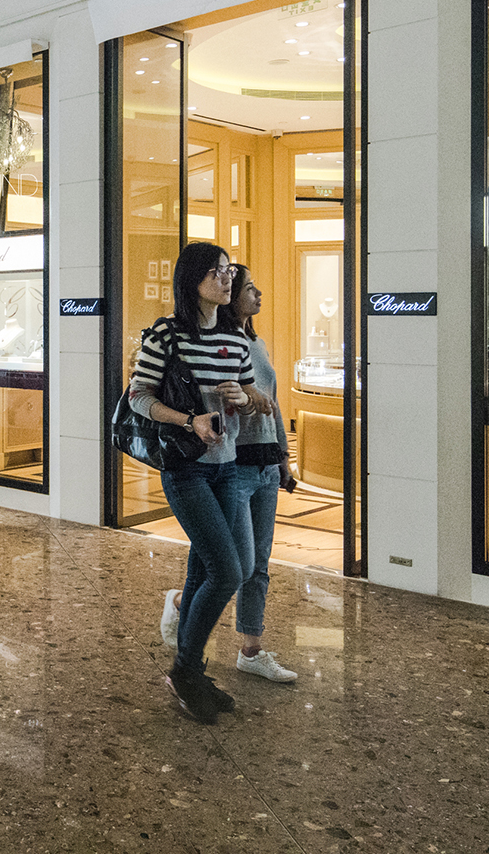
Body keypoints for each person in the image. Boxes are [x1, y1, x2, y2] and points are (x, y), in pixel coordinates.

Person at [130, 241, 254, 725]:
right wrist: (189, 420)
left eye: (229, 271)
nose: (227, 279)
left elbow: (248, 396)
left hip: (228, 466)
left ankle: (192, 671)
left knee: (209, 570)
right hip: (185, 468)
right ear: (193, 279)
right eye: (217, 271)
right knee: (228, 571)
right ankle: (184, 671)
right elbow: (138, 396)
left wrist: (241, 398)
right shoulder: (167, 334)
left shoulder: (236, 337)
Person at [158, 264, 300, 686]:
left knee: (257, 564)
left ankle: (250, 650)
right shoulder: (208, 343)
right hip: (229, 463)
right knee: (228, 564)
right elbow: (154, 395)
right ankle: (184, 619)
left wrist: (283, 457)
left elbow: (272, 402)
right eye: (249, 288)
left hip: (264, 462)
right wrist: (234, 402)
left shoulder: (255, 342)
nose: (258, 295)